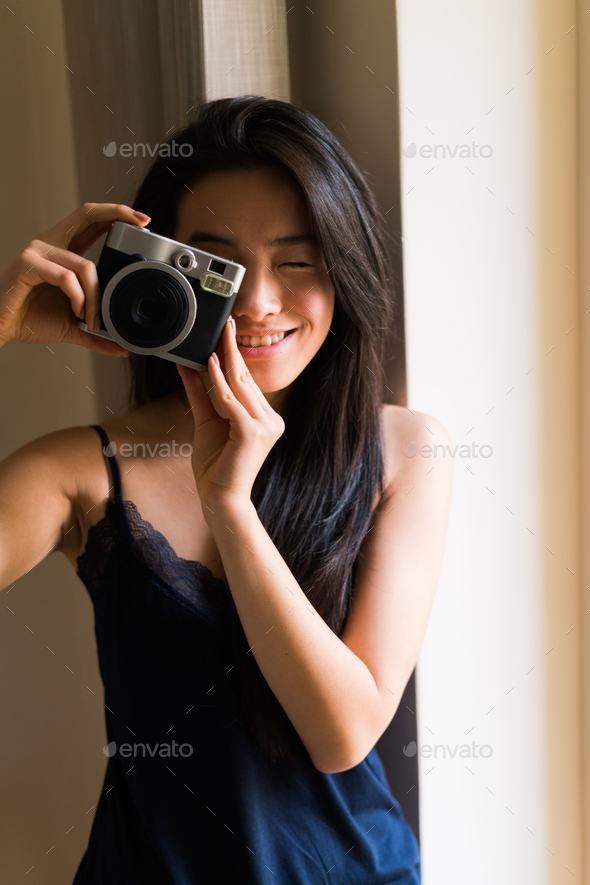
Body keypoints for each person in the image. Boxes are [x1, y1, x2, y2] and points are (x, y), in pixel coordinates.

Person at [0, 96, 453, 883]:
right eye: (218, 264)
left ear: (345, 269)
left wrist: (230, 505)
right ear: (156, 269)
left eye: (299, 259)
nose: (257, 303)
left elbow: (342, 730)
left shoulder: (404, 450)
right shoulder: (81, 470)